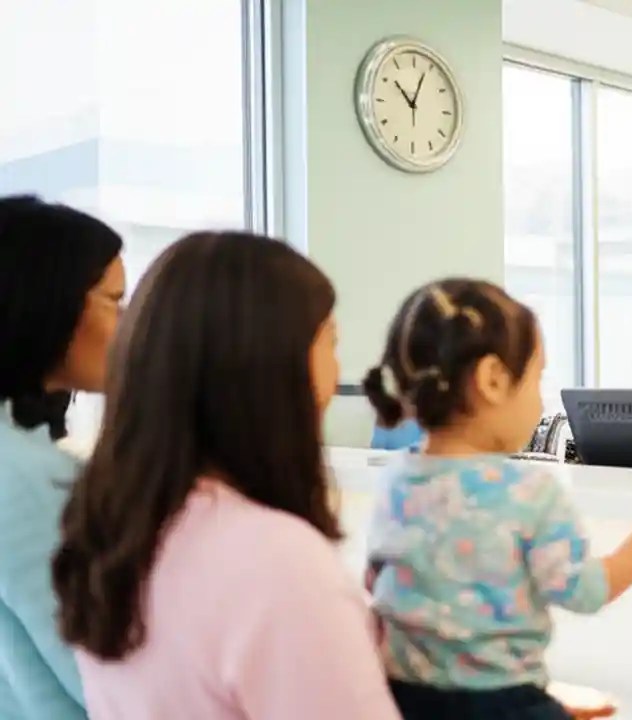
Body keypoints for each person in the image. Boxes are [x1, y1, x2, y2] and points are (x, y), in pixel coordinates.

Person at [51, 233, 401, 719]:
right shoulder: (277, 560)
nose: (337, 366)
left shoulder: (108, 533)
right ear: (273, 365)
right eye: (331, 343)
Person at [361, 278, 632, 720]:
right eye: (537, 377)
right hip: (506, 704)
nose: (540, 398)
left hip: (406, 700)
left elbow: (379, 586)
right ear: (493, 380)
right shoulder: (527, 492)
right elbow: (587, 591)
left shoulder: (395, 480)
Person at [0, 196, 125, 720]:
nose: (128, 323)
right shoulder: (32, 479)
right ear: (49, 304)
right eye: (113, 301)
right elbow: (110, 681)